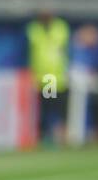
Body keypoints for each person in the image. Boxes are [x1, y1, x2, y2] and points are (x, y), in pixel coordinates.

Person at [26, 10, 69, 144]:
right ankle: (46, 136)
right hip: (45, 77)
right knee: (46, 108)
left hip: (55, 77)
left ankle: (58, 135)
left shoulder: (59, 27)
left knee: (57, 108)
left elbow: (59, 42)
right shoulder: (35, 29)